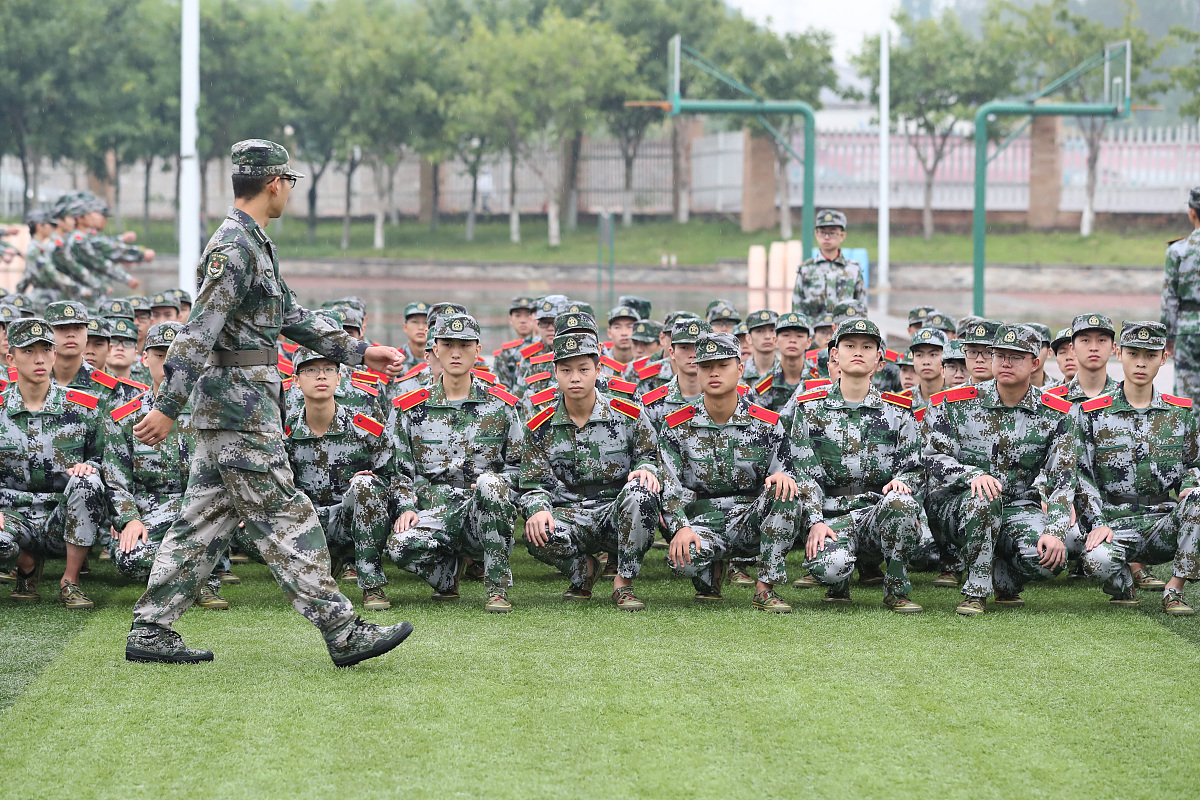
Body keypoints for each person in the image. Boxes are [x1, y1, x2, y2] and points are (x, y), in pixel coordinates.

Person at [126, 139, 412, 667]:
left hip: (239, 406)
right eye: (290, 182)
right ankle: (343, 630)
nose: (289, 191)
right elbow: (197, 333)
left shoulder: (252, 243)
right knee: (287, 516)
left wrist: (358, 352)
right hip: (238, 410)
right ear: (275, 183)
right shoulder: (234, 247)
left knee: (202, 520)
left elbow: (291, 316)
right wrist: (167, 405)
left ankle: (150, 628)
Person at [923, 324, 1078, 615]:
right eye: (1000, 355)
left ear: (1035, 363)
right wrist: (973, 475)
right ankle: (976, 591)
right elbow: (934, 457)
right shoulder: (955, 403)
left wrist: (1055, 531)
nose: (1006, 363)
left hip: (1017, 507)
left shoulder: (1056, 413)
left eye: (1016, 357)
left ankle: (1002, 572)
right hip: (959, 506)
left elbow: (1063, 478)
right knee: (984, 499)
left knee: (1048, 561)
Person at [660, 332, 811, 612]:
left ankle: (765, 588)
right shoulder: (676, 426)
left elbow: (787, 473)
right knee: (682, 562)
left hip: (750, 520)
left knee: (785, 491)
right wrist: (680, 528)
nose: (714, 373)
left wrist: (783, 476)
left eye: (723, 365)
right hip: (702, 521)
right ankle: (712, 570)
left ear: (740, 369)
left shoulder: (766, 424)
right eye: (706, 366)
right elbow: (668, 485)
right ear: (697, 370)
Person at [787, 319, 924, 613]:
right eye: (850, 346)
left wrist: (904, 485)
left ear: (879, 358)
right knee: (831, 568)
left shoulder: (898, 411)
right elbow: (804, 474)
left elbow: (914, 469)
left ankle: (896, 590)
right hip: (831, 516)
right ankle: (840, 580)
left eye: (867, 347)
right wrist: (815, 521)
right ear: (835, 355)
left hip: (877, 514)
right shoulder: (809, 410)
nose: (858, 352)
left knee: (901, 502)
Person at [389, 313, 523, 613]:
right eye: (448, 345)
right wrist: (406, 507)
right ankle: (446, 574)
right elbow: (400, 471)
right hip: (434, 510)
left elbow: (519, 467)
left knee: (490, 483)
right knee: (398, 547)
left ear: (478, 350)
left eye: (464, 345)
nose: (456, 353)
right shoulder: (411, 409)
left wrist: (496, 486)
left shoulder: (500, 406)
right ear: (435, 349)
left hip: (483, 512)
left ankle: (497, 588)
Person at [521, 332, 661, 610]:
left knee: (642, 493)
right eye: (566, 370)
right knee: (535, 532)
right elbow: (534, 484)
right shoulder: (540, 426)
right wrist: (538, 508)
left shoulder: (627, 415)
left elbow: (649, 455)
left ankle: (624, 582)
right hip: (569, 514)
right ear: (555, 373)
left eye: (583, 369)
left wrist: (646, 469)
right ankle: (584, 570)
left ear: (598, 371)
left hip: (615, 512)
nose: (575, 378)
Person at [1074, 321, 1199, 614]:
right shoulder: (1093, 413)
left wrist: (1190, 486)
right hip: (1114, 522)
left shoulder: (1179, 413)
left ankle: (1175, 589)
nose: (1141, 363)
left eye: (1150, 355)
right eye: (1133, 354)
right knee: (1096, 561)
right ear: (1119, 353)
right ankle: (1122, 580)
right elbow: (1082, 475)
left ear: (1163, 358)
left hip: (1163, 521)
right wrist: (1097, 522)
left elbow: (1194, 464)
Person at [103, 322, 229, 610]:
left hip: (204, 512)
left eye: (178, 355)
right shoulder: (127, 417)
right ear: (144, 359)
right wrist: (129, 520)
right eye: (160, 355)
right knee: (130, 559)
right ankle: (198, 575)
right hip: (151, 513)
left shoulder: (214, 412)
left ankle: (201, 578)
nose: (169, 363)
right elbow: (115, 480)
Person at [3, 319, 109, 610]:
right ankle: (26, 565)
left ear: (54, 353)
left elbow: (105, 460)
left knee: (88, 481)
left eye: (46, 349)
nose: (39, 359)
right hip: (11, 515)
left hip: (63, 519)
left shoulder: (84, 407)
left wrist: (90, 467)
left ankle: (70, 580)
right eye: (28, 351)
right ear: (11, 358)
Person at [283, 348, 395, 611]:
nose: (321, 376)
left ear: (339, 378)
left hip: (352, 523)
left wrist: (404, 509)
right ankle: (316, 570)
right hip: (307, 523)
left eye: (328, 369)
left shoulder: (365, 428)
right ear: (296, 380)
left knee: (365, 484)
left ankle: (371, 584)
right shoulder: (284, 434)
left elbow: (393, 477)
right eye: (311, 370)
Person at [1161, 187, 1200, 399]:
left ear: (1192, 212)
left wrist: (1168, 336)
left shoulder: (1178, 250)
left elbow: (1170, 298)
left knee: (1187, 397)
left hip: (1188, 330)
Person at [791, 209, 866, 318]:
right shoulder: (806, 270)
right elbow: (797, 310)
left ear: (842, 236)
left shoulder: (853, 270)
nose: (826, 237)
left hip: (844, 327)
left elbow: (862, 309)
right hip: (814, 328)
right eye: (822, 232)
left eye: (832, 233)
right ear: (816, 234)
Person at [747, 312, 815, 412]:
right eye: (786, 335)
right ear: (775, 341)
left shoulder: (819, 380)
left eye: (799, 336)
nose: (792, 340)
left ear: (808, 342)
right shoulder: (763, 387)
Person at [1065, 313, 1119, 402]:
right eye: (1085, 340)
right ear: (1073, 348)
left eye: (1101, 340)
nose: (1094, 348)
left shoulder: (1127, 397)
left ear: (1113, 348)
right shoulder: (1052, 399)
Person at [494, 296, 537, 391]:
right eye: (518, 316)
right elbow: (502, 387)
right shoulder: (506, 353)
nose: (523, 320)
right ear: (511, 319)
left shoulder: (546, 347)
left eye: (528, 315)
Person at [741, 310, 780, 383]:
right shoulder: (738, 373)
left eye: (772, 330)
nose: (767, 336)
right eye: (760, 331)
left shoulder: (787, 372)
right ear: (749, 338)